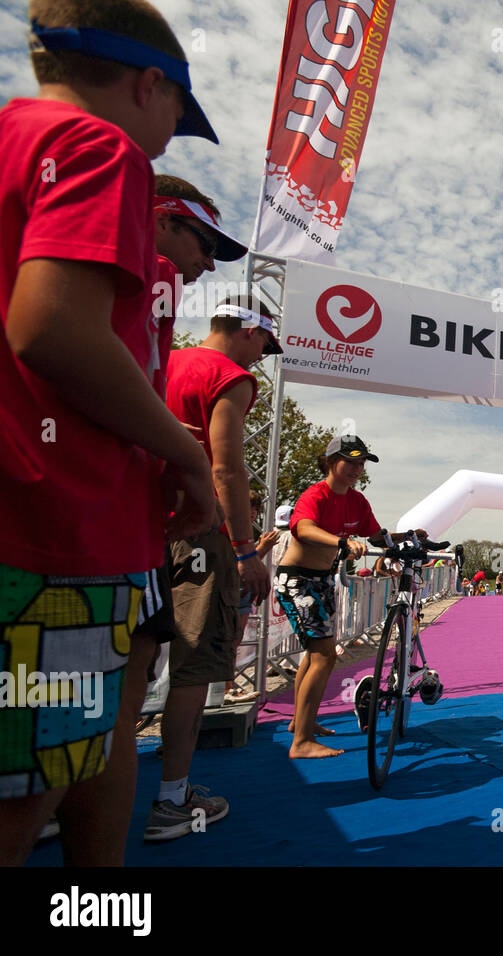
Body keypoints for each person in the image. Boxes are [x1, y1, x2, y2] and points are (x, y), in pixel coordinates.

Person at [0, 0, 221, 866]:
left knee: (84, 751)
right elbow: (51, 329)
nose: (171, 139)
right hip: (57, 530)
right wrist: (182, 451)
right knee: (25, 799)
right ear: (149, 83)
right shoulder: (98, 148)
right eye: (178, 115)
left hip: (54, 524)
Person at [143, 296, 279, 840]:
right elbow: (228, 469)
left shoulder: (164, 361)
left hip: (143, 529)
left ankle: (69, 794)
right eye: (265, 346)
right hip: (202, 534)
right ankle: (172, 798)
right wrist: (245, 551)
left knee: (132, 661)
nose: (263, 359)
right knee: (193, 670)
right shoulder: (230, 377)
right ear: (248, 331)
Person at [274, 435, 390, 752]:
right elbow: (302, 528)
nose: (357, 468)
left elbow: (378, 535)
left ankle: (302, 723)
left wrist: (407, 543)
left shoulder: (357, 501)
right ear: (330, 462)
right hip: (297, 580)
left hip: (323, 580)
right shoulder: (316, 494)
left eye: (361, 462)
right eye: (350, 461)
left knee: (315, 656)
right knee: (324, 655)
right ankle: (302, 742)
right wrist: (341, 542)